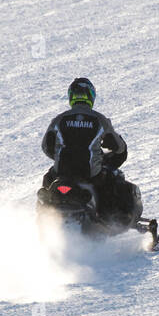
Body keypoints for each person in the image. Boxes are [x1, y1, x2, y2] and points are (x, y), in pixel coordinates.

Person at [40, 77, 141, 226]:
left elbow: (46, 147)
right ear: (91, 96)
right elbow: (119, 147)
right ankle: (109, 222)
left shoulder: (59, 120)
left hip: (62, 174)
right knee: (112, 181)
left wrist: (60, 156)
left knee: (48, 180)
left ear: (71, 96)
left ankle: (43, 216)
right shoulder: (99, 120)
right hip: (89, 175)